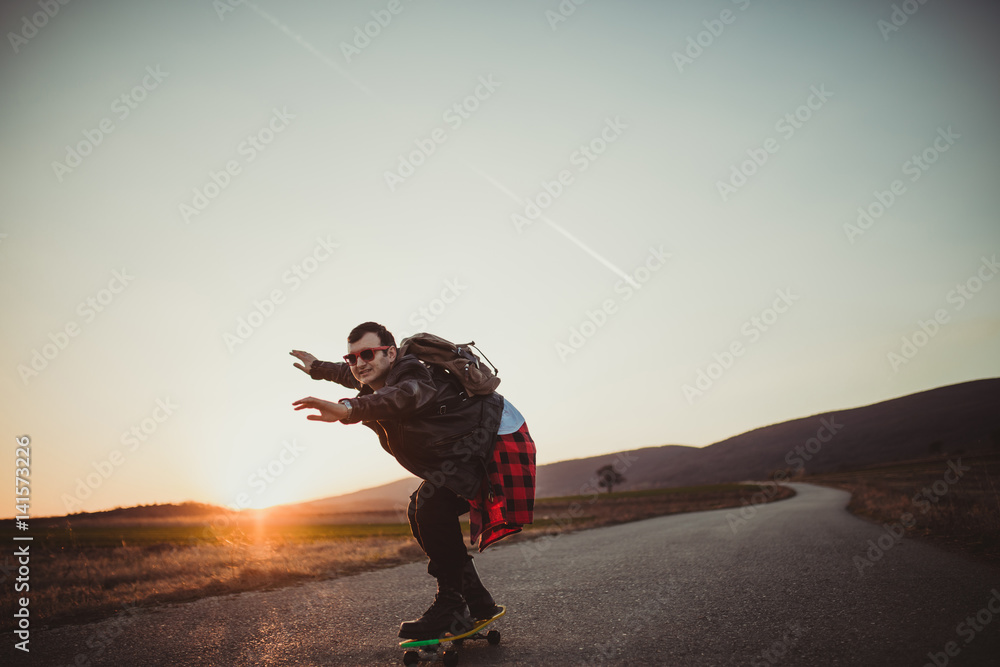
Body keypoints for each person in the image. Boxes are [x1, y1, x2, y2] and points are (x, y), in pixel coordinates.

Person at [290, 321, 535, 639]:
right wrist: (318, 368)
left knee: (432, 507)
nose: (359, 363)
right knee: (420, 506)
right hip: (472, 442)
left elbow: (404, 396)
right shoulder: (379, 374)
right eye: (352, 357)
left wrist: (349, 409)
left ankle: (452, 606)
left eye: (368, 354)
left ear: (391, 353)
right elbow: (353, 375)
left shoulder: (412, 372)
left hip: (496, 439)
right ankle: (476, 601)